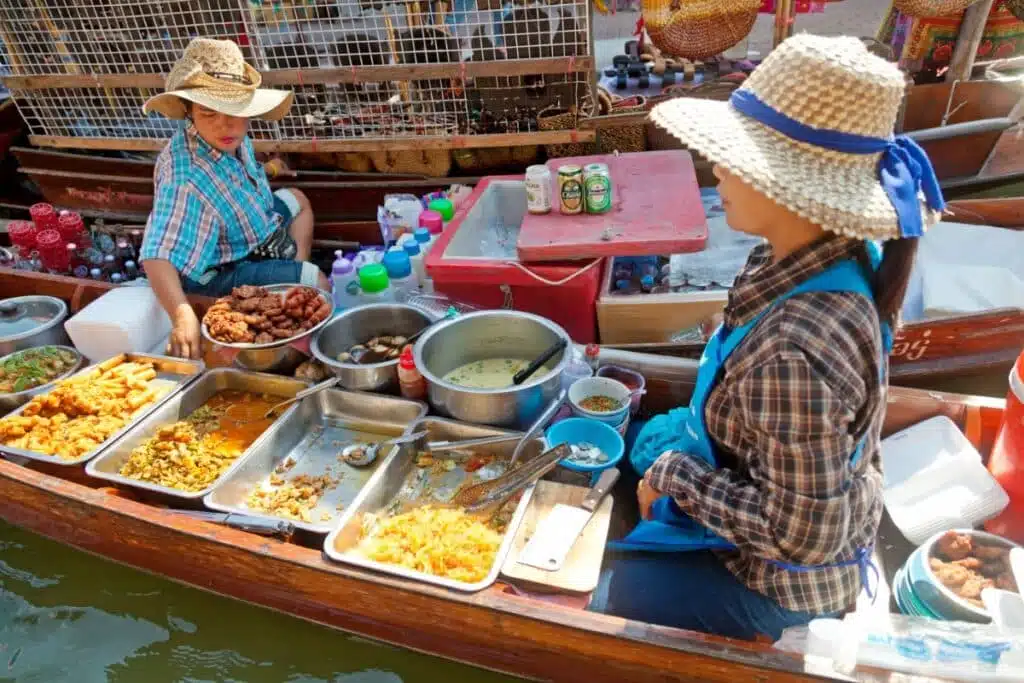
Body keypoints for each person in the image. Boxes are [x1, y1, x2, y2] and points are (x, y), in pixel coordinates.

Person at [589, 34, 944, 641]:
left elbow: (801, 537)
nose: (718, 168)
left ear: (792, 189)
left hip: (777, 578)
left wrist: (675, 475)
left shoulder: (795, 347)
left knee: (588, 603)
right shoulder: (821, 255)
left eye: (738, 159)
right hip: (782, 505)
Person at [139, 38, 330, 359]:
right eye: (208, 112)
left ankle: (292, 273)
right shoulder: (184, 177)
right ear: (188, 112)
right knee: (317, 282)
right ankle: (299, 295)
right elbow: (156, 254)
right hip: (222, 265)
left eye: (234, 111)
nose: (225, 124)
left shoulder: (230, 139)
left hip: (254, 225)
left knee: (297, 199)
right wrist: (182, 316)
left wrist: (269, 169)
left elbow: (240, 176)